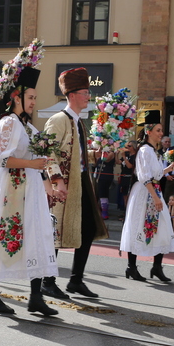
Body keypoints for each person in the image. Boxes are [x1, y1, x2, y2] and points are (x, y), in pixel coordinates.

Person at [0, 45, 58, 316]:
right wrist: (33, 164)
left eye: (34, 96)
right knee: (2, 233)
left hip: (29, 187)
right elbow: (0, 158)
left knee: (36, 235)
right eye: (30, 96)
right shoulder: (7, 124)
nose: (33, 101)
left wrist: (48, 184)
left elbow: (39, 158)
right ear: (16, 96)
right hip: (9, 186)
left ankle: (35, 296)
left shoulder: (27, 126)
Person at [42, 67, 110, 299]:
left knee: (88, 229)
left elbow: (75, 154)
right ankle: (47, 281)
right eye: (85, 92)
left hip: (81, 182)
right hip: (64, 185)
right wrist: (56, 180)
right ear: (72, 95)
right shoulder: (58, 119)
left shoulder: (77, 121)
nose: (88, 96)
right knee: (57, 231)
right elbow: (47, 152)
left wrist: (94, 154)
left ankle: (75, 280)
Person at [120, 112, 174, 282]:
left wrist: (167, 169)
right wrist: (156, 197)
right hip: (146, 192)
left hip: (154, 190)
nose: (161, 133)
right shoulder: (145, 150)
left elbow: (155, 174)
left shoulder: (154, 151)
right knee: (138, 225)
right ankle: (131, 267)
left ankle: (157, 267)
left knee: (162, 227)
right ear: (149, 131)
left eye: (161, 130)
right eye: (158, 130)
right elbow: (145, 176)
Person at [94, 149, 116, 220]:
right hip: (99, 176)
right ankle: (100, 209)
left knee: (103, 193)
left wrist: (103, 151)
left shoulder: (111, 153)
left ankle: (105, 212)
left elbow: (105, 159)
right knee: (100, 193)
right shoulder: (101, 151)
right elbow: (96, 162)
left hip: (106, 177)